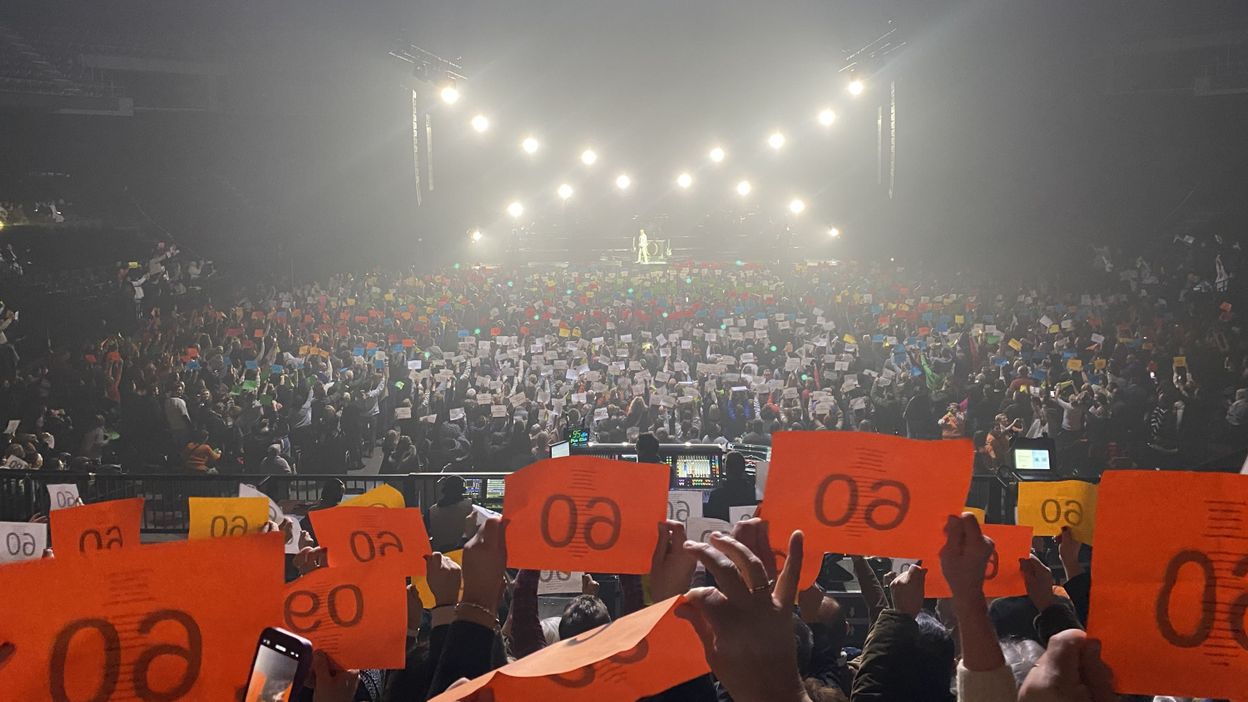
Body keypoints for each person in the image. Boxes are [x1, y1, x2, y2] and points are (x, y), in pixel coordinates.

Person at [704, 451, 756, 520]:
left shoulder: (716, 495)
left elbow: (709, 519)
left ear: (726, 469)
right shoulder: (753, 494)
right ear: (743, 469)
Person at [427, 475, 474, 552]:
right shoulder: (471, 505)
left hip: (440, 553)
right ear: (462, 490)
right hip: (464, 551)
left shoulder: (431, 510)